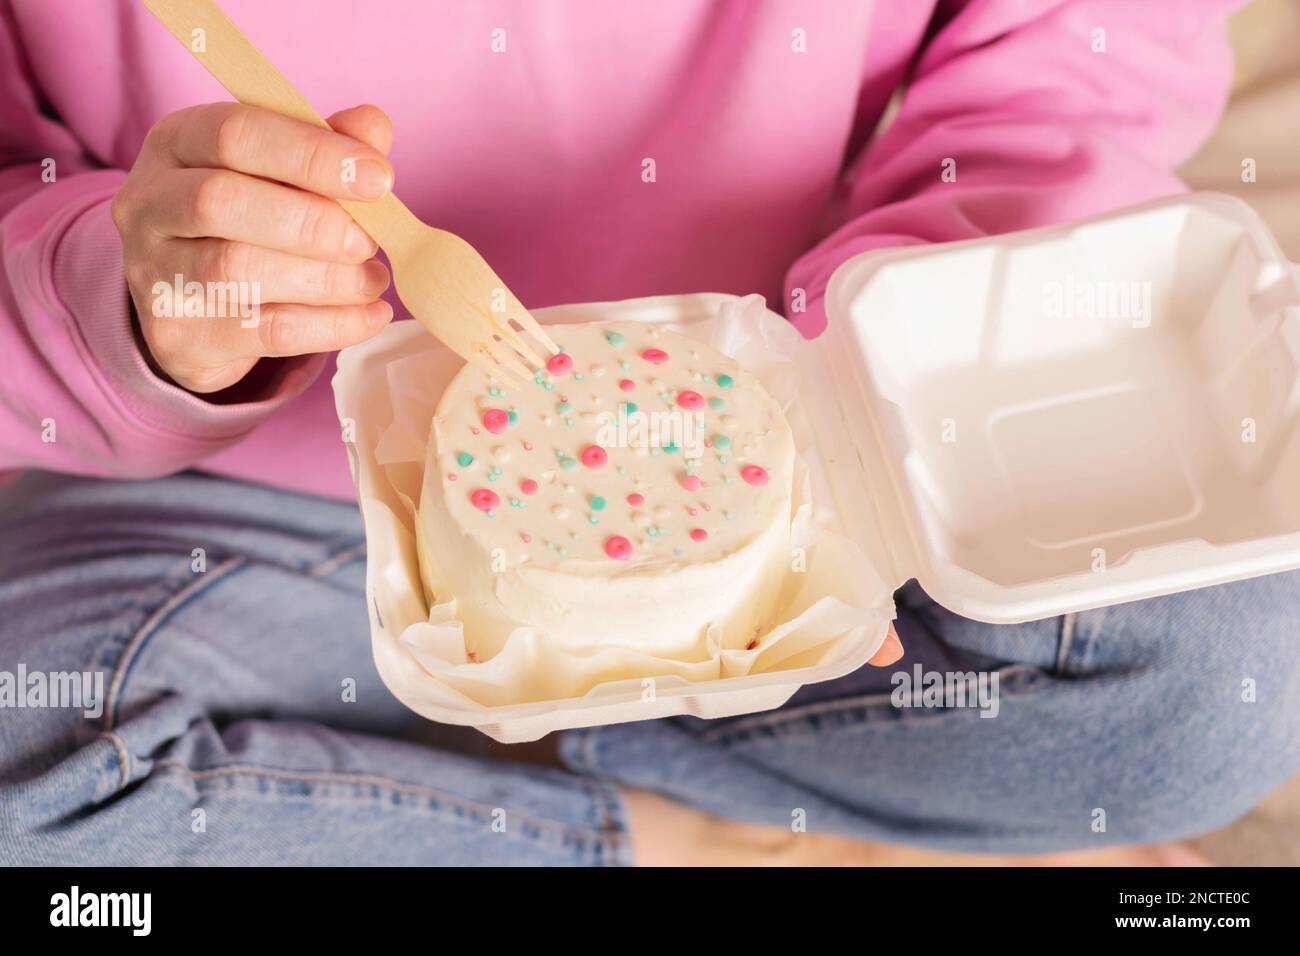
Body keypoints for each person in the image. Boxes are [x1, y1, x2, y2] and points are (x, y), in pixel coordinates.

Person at [0, 0, 1293, 865]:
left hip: (816, 424)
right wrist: (136, 310)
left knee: (1218, 682)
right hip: (247, 501)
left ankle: (590, 723)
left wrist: (907, 328)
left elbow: (1076, 57)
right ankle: (622, 823)